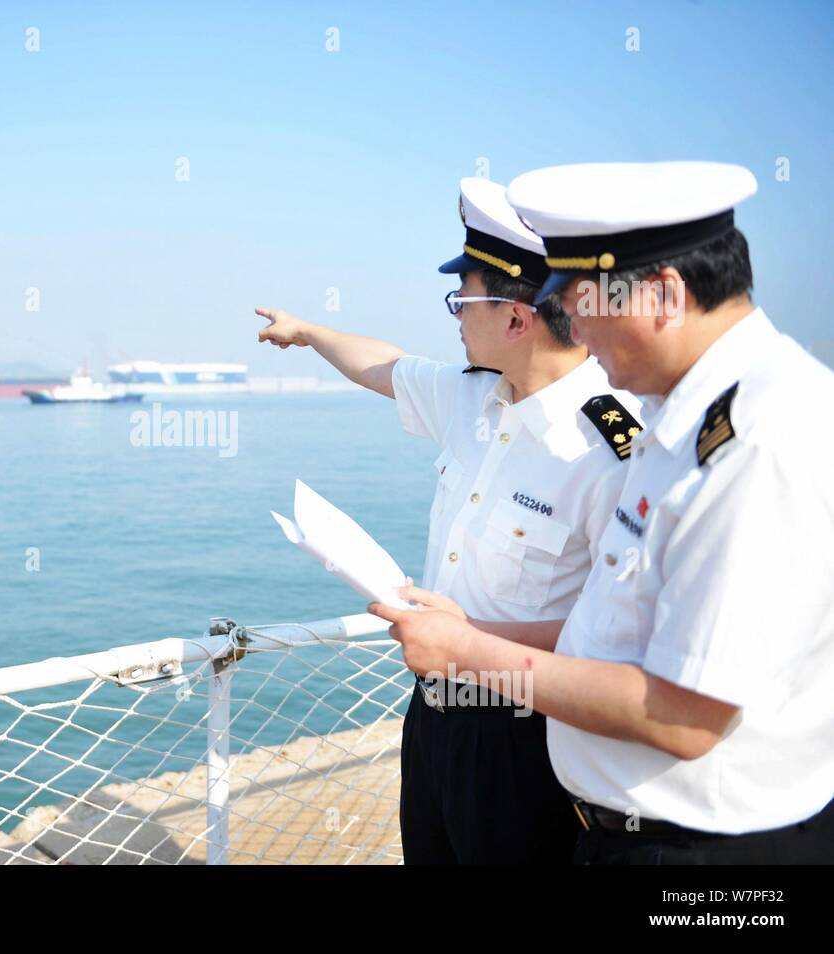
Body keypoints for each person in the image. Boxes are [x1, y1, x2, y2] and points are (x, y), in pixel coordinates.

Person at [370, 161, 834, 863]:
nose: (573, 327)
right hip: (617, 833)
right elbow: (620, 631)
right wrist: (473, 630)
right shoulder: (679, 417)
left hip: (704, 855)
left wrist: (465, 650)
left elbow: (685, 717)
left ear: (663, 295)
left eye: (580, 299)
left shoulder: (758, 438)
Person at [256, 177, 641, 863]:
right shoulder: (472, 396)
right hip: (432, 718)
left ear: (519, 318)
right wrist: (310, 331)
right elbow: (383, 365)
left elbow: (619, 631)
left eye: (462, 300)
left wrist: (469, 640)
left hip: (527, 732)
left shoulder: (610, 451)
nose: (454, 316)